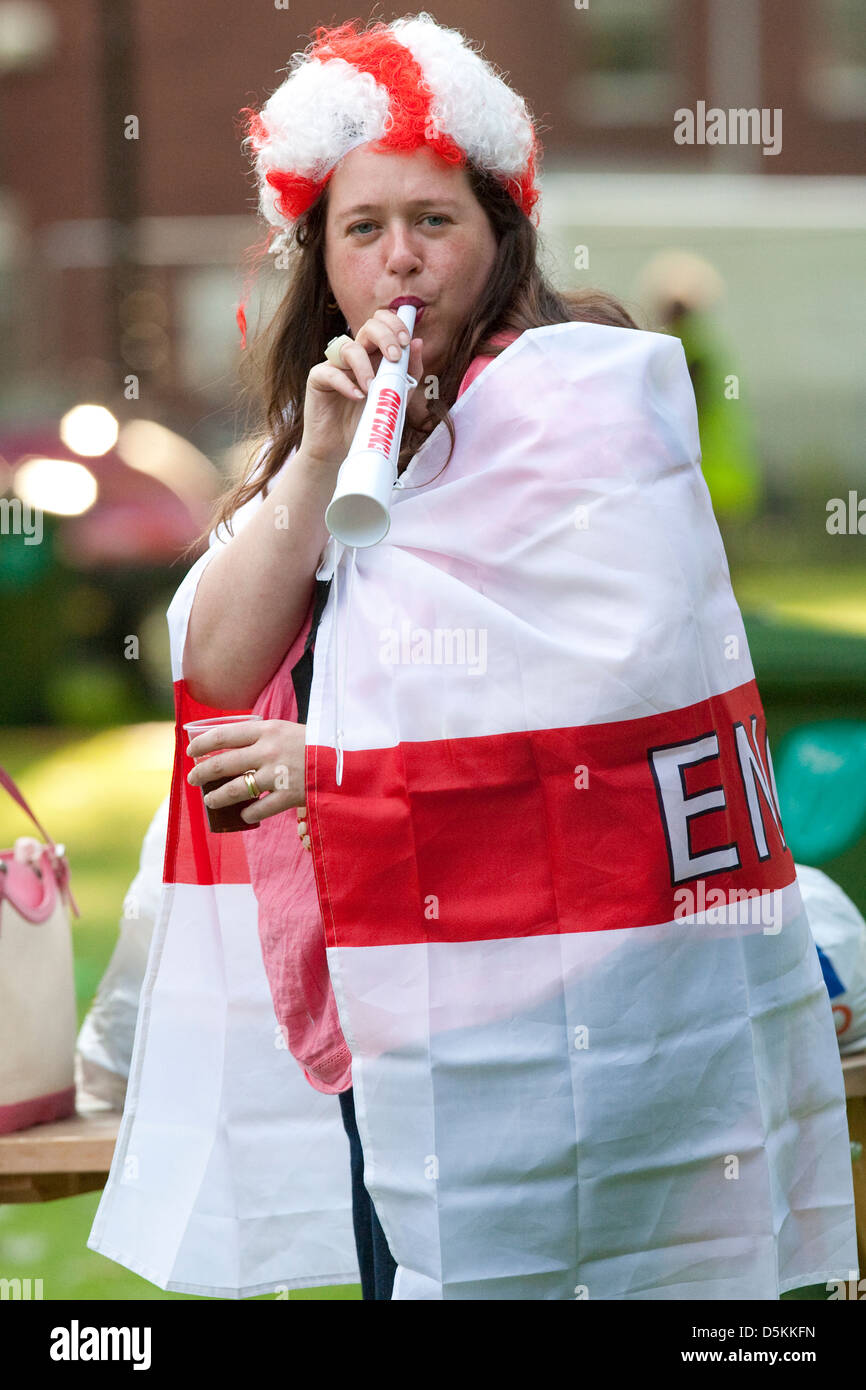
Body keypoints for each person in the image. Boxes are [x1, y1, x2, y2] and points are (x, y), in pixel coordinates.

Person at [173, 14, 856, 1300]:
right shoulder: (320, 425)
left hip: (573, 970)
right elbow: (218, 663)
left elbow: (612, 695)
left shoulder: (577, 396)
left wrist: (333, 764)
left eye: (434, 222)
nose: (400, 263)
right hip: (391, 967)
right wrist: (318, 461)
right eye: (361, 229)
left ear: (500, 234)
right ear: (320, 257)